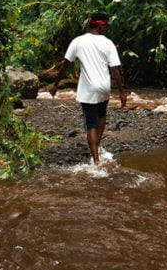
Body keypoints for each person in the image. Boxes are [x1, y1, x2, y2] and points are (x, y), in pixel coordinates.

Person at [47, 12, 126, 165]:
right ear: (100, 26)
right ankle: (97, 146)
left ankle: (96, 161)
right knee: (101, 116)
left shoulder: (78, 41)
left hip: (88, 89)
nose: (107, 29)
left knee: (91, 123)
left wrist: (56, 84)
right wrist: (122, 92)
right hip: (104, 87)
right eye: (106, 26)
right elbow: (115, 69)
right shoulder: (108, 43)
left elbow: (65, 65)